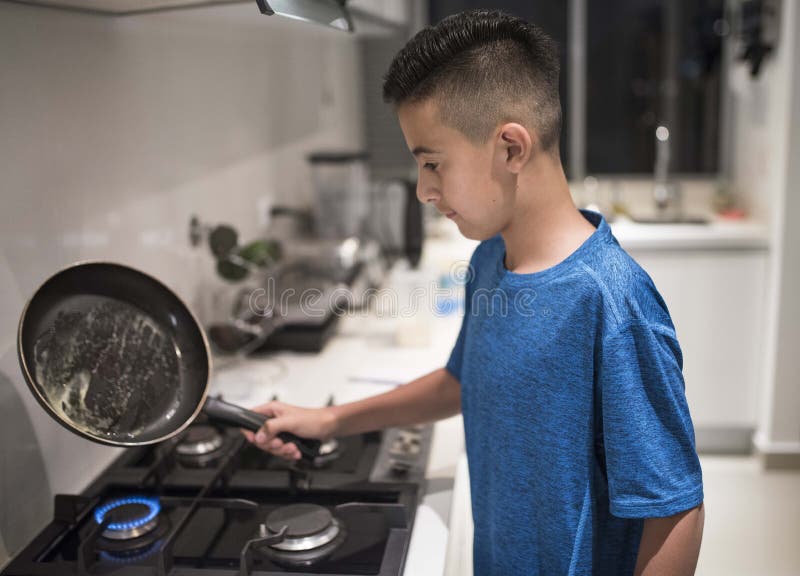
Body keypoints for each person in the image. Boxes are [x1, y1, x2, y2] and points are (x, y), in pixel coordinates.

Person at [242, 9, 704, 575]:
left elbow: (674, 510)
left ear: (511, 148)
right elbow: (464, 381)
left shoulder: (612, 303)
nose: (422, 191)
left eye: (432, 164)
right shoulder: (490, 260)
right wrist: (330, 421)